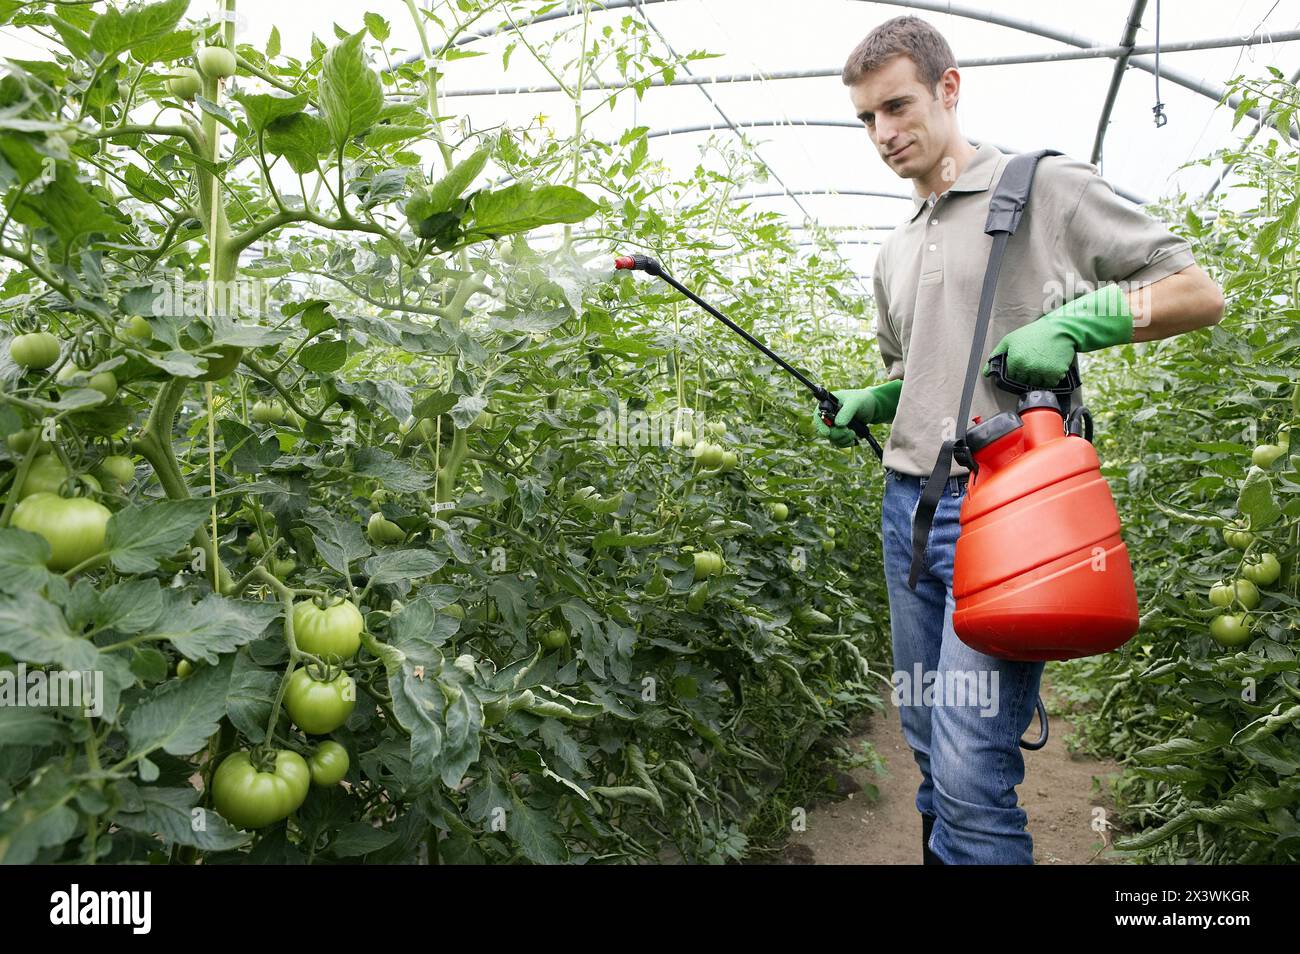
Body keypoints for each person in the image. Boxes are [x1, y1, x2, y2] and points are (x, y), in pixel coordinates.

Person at [815, 15, 1225, 865]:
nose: (884, 133)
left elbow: (1194, 292)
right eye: (865, 118)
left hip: (1007, 512)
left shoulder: (1040, 189)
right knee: (928, 741)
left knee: (970, 771)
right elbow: (930, 371)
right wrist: (876, 398)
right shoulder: (895, 248)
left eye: (897, 106)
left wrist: (1081, 321)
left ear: (948, 88)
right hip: (908, 513)